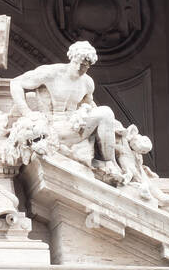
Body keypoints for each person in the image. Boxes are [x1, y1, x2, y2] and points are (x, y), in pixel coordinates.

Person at [8, 40, 123, 181]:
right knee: (105, 113)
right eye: (78, 64)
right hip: (52, 128)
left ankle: (106, 163)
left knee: (106, 112)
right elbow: (16, 83)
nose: (81, 69)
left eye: (85, 66)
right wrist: (27, 113)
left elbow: (88, 105)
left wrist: (108, 123)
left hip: (74, 128)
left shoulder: (87, 83)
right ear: (72, 59)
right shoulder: (51, 73)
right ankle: (106, 164)